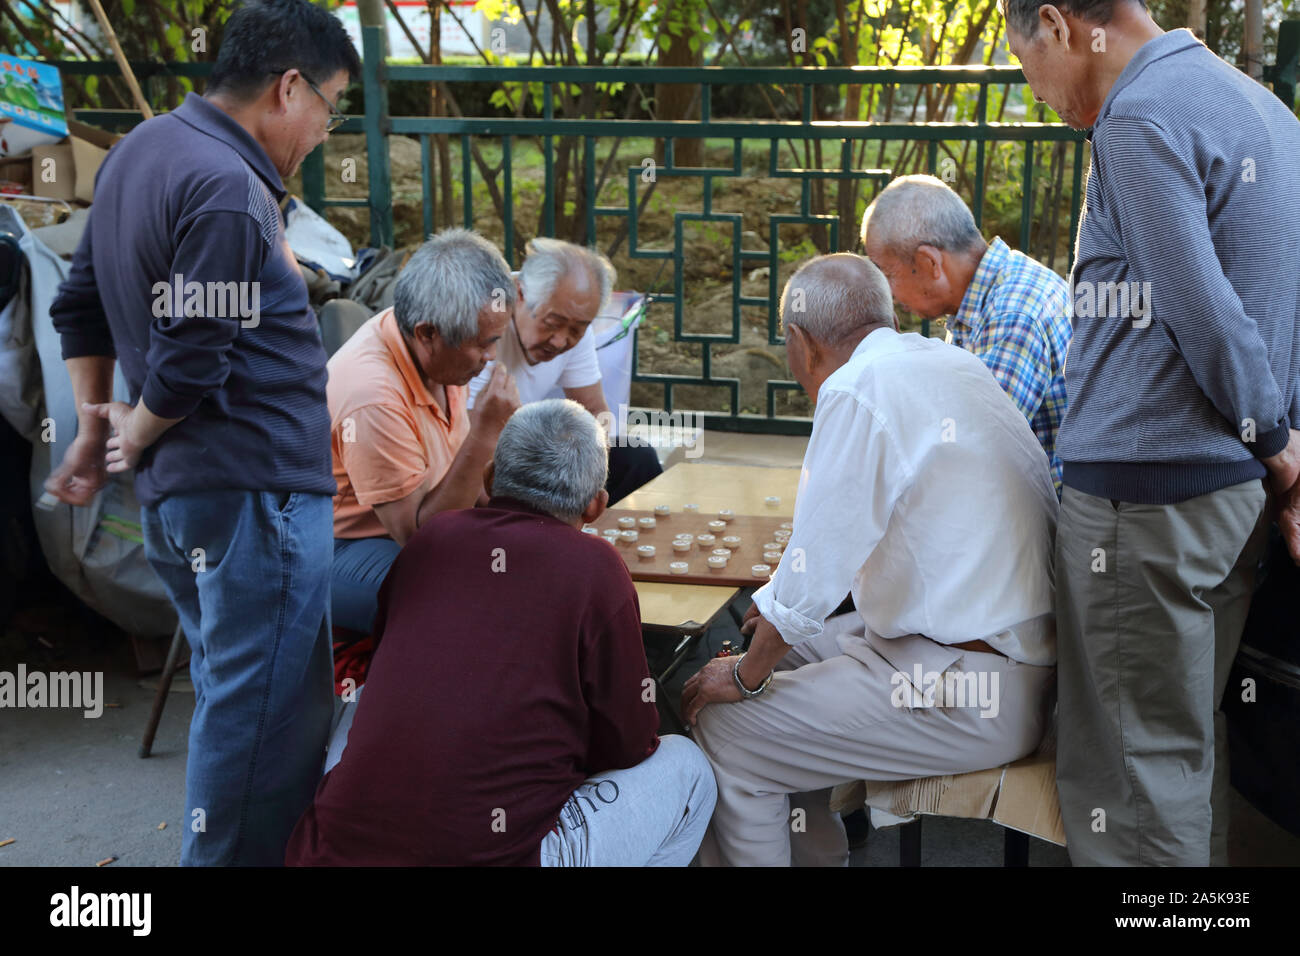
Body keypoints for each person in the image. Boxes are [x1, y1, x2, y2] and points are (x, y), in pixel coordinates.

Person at [44, 0, 359, 866]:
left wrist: (95, 423)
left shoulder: (140, 152)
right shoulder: (228, 187)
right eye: (331, 106)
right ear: (288, 87)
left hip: (198, 496)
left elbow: (80, 307)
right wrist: (135, 432)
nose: (326, 131)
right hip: (251, 492)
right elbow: (192, 353)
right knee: (258, 718)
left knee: (268, 707)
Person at [1002, 0, 1300, 865]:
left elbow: (1200, 309)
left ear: (1057, 25)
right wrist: (1281, 456)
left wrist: (1279, 446)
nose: (1039, 95)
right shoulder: (1265, 110)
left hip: (1145, 502)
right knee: (1180, 755)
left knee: (1129, 788)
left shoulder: (1137, 117)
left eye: (1027, 67)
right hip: (1223, 503)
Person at [681, 254, 1058, 866]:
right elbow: (834, 548)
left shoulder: (857, 387)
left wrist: (750, 672)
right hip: (987, 664)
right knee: (774, 656)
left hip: (968, 688)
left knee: (729, 726)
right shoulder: (946, 360)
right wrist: (769, 634)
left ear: (800, 344)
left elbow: (817, 567)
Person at [285, 399, 717, 866]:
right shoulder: (597, 569)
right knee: (689, 769)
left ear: (488, 479)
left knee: (366, 694)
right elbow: (629, 743)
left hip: (332, 852)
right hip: (500, 853)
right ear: (597, 506)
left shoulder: (432, 538)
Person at [327, 228, 520, 634]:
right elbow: (421, 539)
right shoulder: (372, 396)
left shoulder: (436, 348)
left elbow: (468, 488)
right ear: (427, 334)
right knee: (459, 593)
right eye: (481, 345)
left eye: (495, 341)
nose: (490, 358)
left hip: (413, 524)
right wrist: (485, 433)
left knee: (532, 561)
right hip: (336, 550)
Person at [860, 174, 1071, 493]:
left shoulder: (1013, 315)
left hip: (1048, 522)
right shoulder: (983, 297)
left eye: (888, 273)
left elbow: (968, 453)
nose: (888, 292)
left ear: (929, 262)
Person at [467, 237, 662, 504]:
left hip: (537, 456)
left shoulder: (574, 320)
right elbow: (466, 451)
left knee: (636, 459)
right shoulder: (483, 321)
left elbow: (595, 411)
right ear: (519, 293)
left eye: (577, 329)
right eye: (551, 323)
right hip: (483, 460)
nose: (560, 341)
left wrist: (585, 477)